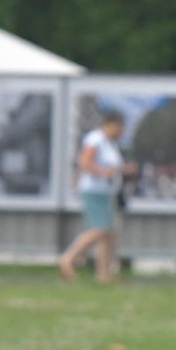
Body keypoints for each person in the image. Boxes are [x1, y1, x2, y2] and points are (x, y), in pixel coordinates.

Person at [59, 110, 127, 283]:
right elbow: (85, 162)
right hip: (94, 190)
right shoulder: (95, 139)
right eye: (119, 128)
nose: (121, 132)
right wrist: (103, 173)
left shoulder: (109, 143)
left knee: (107, 234)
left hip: (106, 191)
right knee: (100, 229)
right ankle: (69, 258)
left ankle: (104, 273)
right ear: (110, 125)